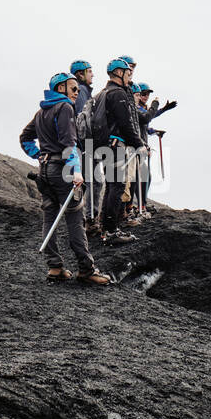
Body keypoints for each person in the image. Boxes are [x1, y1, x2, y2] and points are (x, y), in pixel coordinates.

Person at [19, 73, 110, 285]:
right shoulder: (65, 108)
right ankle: (86, 270)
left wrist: (39, 155)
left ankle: (55, 267)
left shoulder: (42, 112)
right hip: (63, 170)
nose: (77, 93)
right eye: (73, 88)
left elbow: (24, 137)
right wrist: (76, 170)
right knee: (75, 219)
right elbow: (69, 143)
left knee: (49, 216)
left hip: (44, 171)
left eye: (78, 89)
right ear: (61, 88)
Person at [96, 58, 146, 245]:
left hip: (105, 144)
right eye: (127, 72)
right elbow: (125, 123)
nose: (129, 76)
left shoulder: (102, 93)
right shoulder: (118, 94)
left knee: (111, 187)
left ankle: (106, 227)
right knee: (116, 187)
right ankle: (111, 231)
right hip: (117, 145)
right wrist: (138, 143)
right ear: (119, 73)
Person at [135, 83, 177, 214]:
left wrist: (154, 131)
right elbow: (148, 116)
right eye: (143, 94)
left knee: (145, 176)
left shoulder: (142, 109)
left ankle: (141, 204)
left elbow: (146, 126)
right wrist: (161, 108)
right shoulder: (136, 109)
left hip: (141, 146)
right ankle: (139, 205)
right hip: (137, 147)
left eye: (148, 94)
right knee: (142, 176)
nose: (146, 96)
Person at [69, 59, 96, 224]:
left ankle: (84, 218)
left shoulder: (84, 91)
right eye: (90, 71)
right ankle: (86, 219)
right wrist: (86, 143)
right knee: (88, 180)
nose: (93, 74)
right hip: (84, 144)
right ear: (80, 74)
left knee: (89, 180)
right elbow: (81, 119)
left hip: (82, 144)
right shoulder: (82, 91)